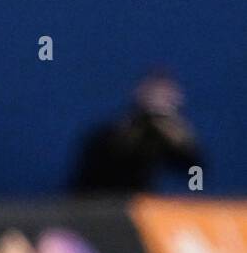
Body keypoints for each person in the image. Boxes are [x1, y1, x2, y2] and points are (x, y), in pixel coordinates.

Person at [72, 70, 202, 193]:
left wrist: (183, 143)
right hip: (101, 204)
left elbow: (196, 174)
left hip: (142, 204)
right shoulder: (113, 132)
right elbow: (100, 168)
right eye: (155, 94)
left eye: (166, 96)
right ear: (140, 93)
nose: (160, 101)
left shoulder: (170, 134)